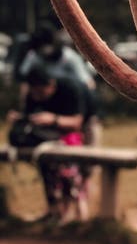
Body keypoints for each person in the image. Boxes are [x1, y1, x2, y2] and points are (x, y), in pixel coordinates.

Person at [7, 64, 88, 222]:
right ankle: (56, 213)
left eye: (41, 93)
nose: (38, 97)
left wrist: (53, 119)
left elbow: (77, 122)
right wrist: (21, 118)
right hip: (51, 138)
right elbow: (30, 116)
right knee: (50, 171)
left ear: (50, 85)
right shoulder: (32, 94)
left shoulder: (70, 87)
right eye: (34, 93)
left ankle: (80, 216)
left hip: (81, 128)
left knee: (81, 172)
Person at [18, 23, 101, 146]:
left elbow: (88, 83)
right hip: (56, 109)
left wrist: (89, 110)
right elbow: (26, 82)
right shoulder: (34, 58)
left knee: (90, 154)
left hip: (79, 106)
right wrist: (25, 112)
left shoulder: (69, 58)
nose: (45, 51)